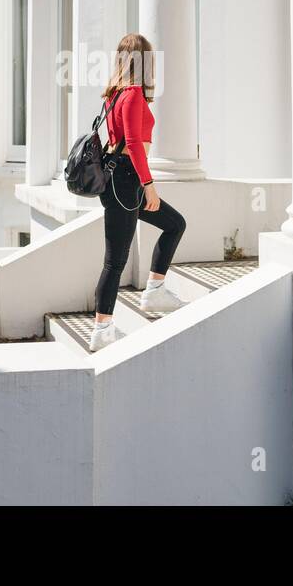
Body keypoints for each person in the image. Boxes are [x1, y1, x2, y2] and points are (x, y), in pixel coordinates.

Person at [89, 33, 187, 352]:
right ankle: (102, 329)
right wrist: (149, 185)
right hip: (127, 182)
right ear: (143, 61)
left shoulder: (114, 95)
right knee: (115, 260)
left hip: (124, 181)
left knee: (174, 224)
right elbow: (132, 144)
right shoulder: (131, 95)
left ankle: (155, 290)